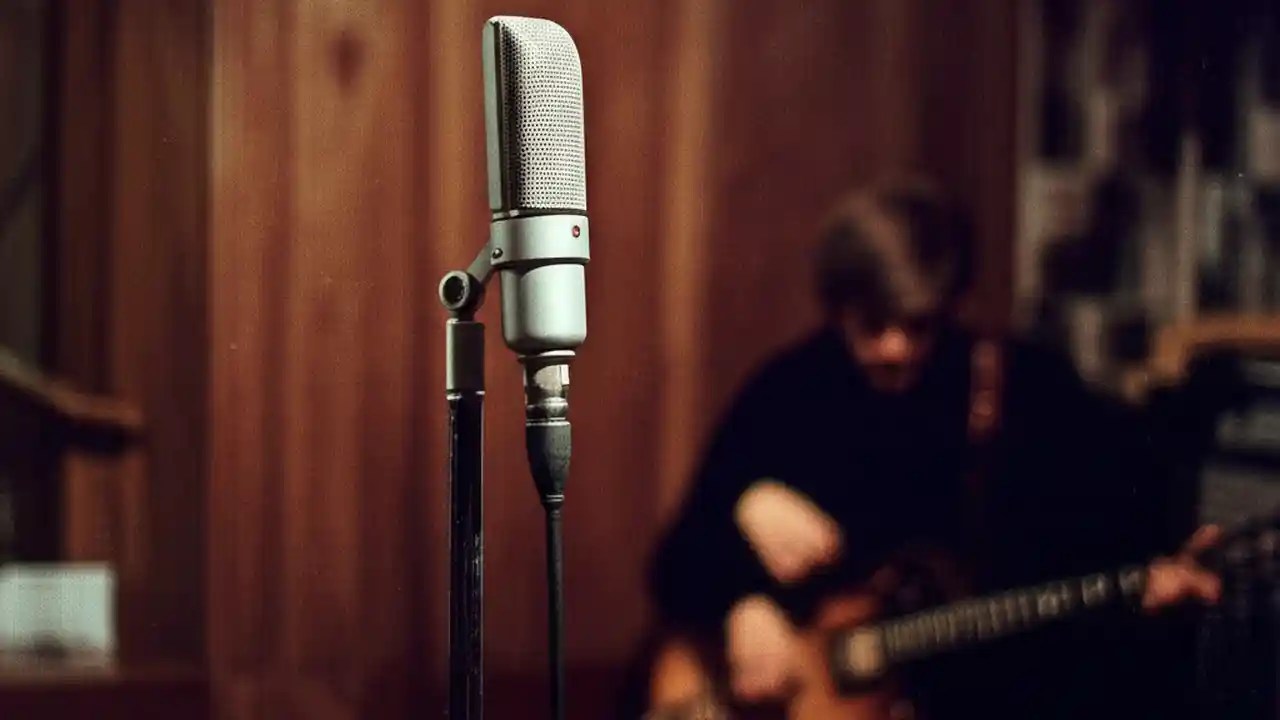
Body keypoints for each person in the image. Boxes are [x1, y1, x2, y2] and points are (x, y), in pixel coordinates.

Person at [634, 177, 1222, 720]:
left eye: (917, 325)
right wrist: (743, 597)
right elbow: (675, 559)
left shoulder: (1025, 386)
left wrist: (1157, 561)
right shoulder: (791, 390)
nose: (894, 347)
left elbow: (1110, 510)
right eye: (873, 324)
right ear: (838, 309)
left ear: (950, 306)